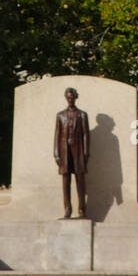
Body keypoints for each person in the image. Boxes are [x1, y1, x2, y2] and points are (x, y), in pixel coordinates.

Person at [53, 86, 89, 219]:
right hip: (64, 151)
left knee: (80, 179)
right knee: (66, 179)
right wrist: (56, 153)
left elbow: (85, 135)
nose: (70, 100)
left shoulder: (82, 115)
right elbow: (57, 135)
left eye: (72, 97)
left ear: (75, 97)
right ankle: (67, 209)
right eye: (68, 97)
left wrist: (86, 153)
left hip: (78, 150)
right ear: (66, 98)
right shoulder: (60, 115)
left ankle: (82, 209)